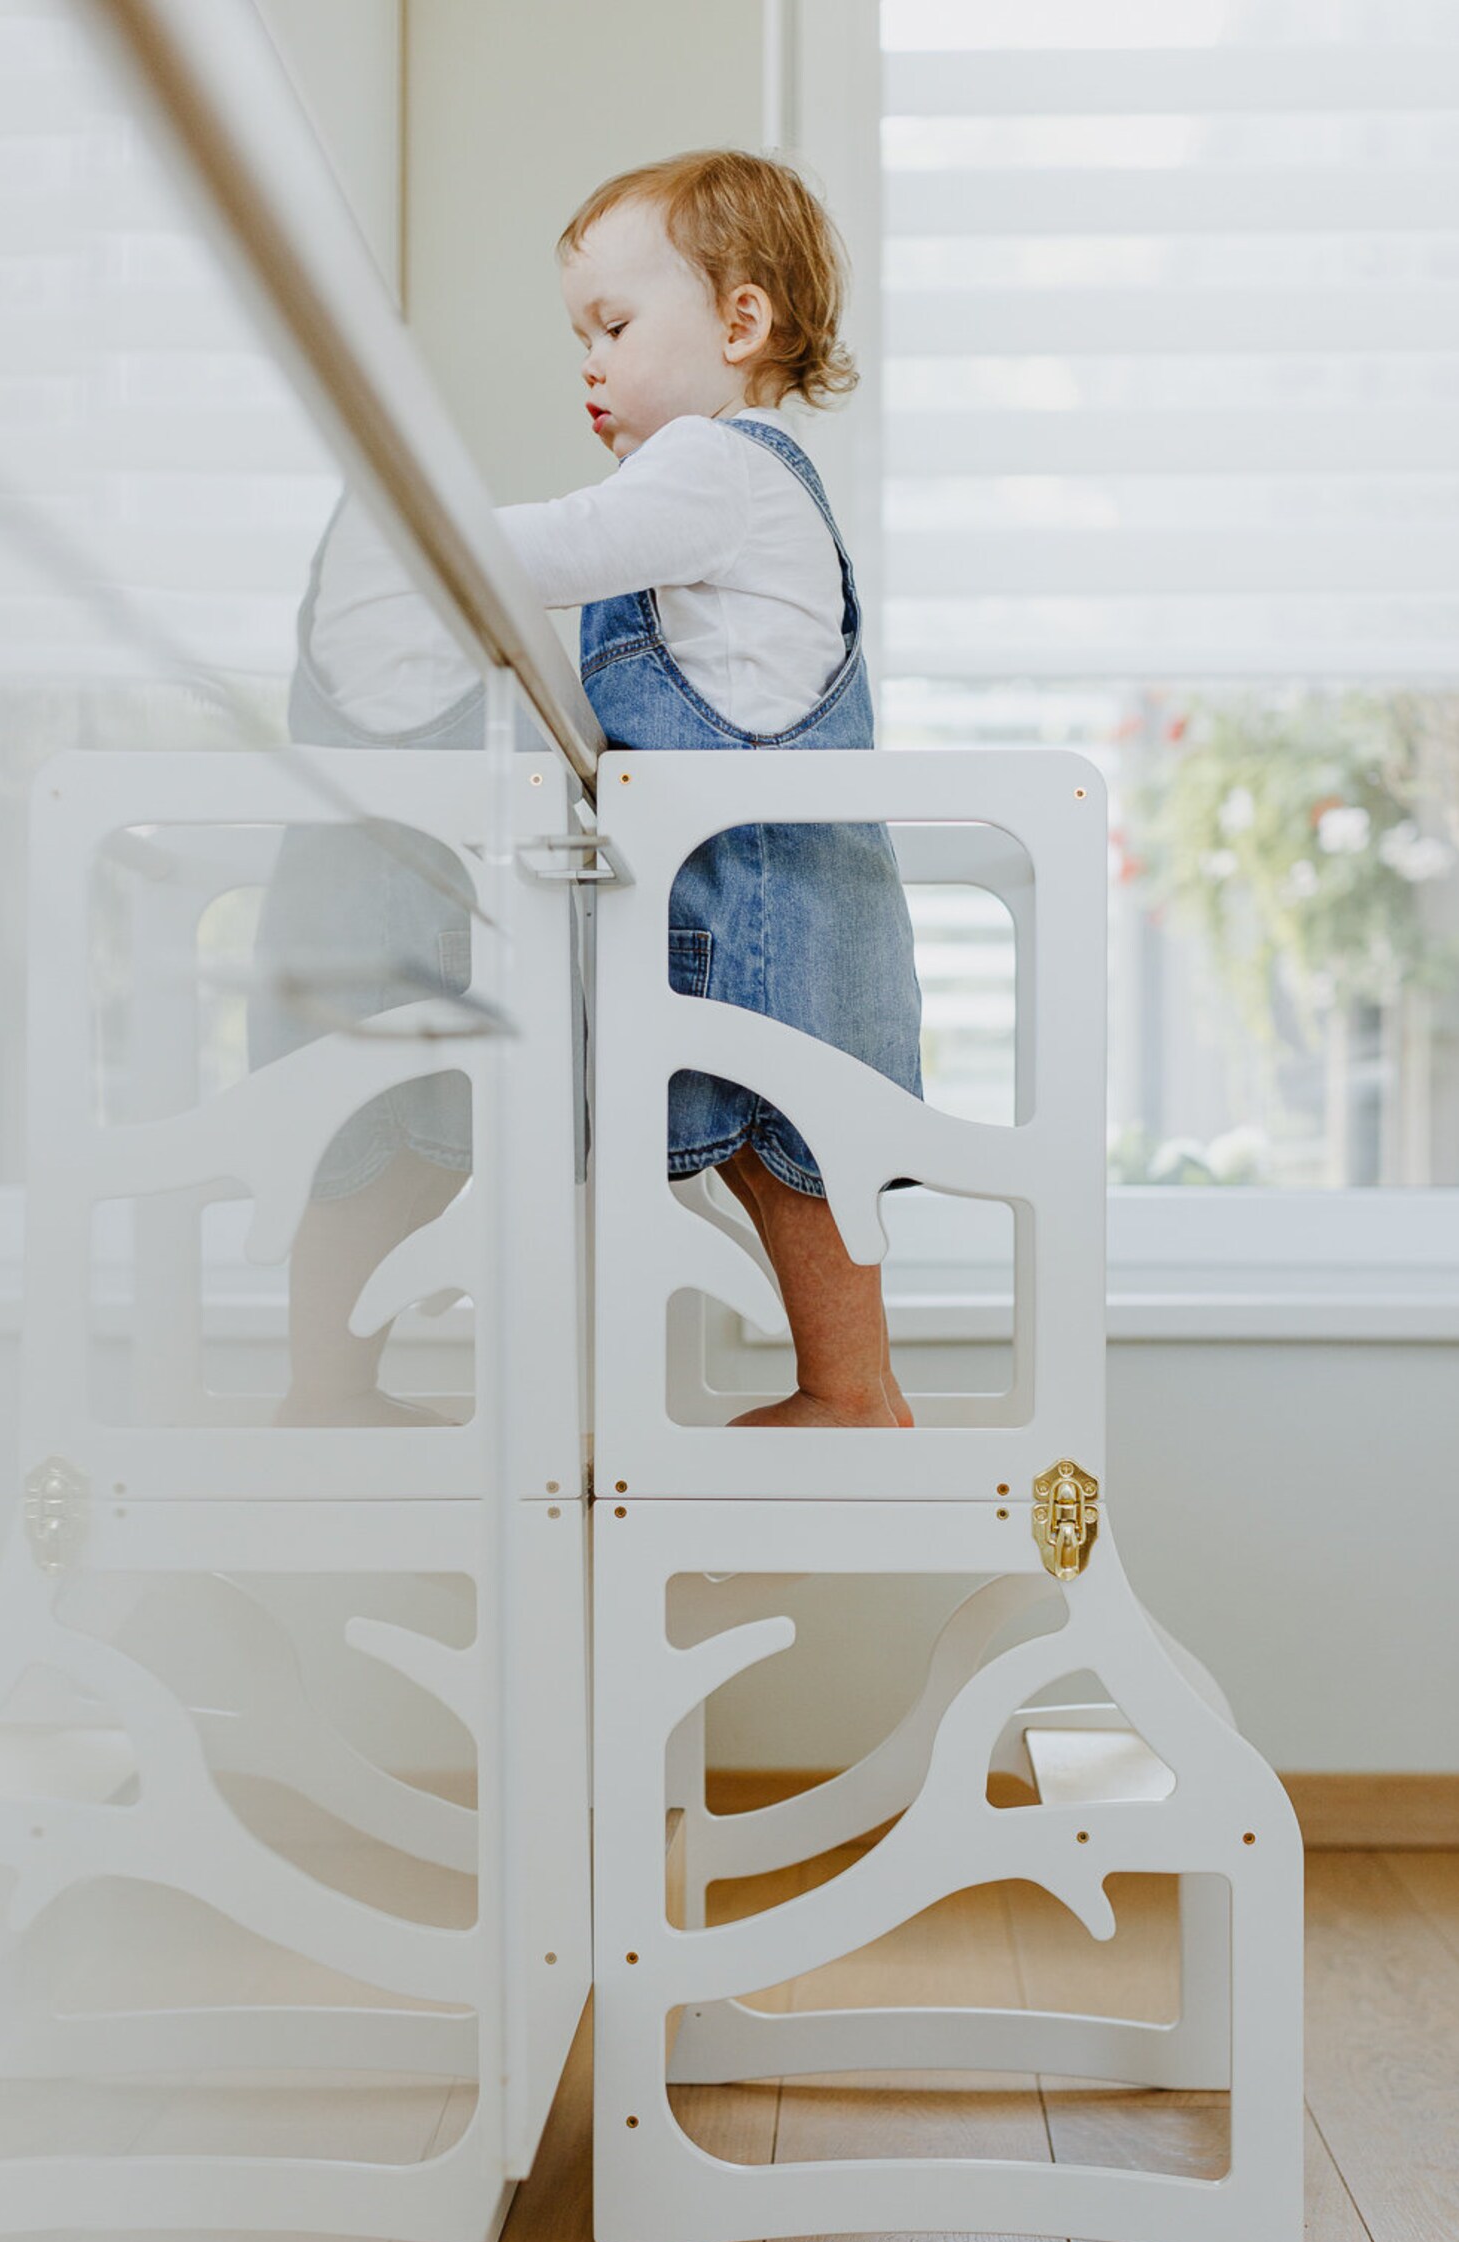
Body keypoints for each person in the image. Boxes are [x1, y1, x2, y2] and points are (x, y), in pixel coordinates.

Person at [251, 148, 923, 1429]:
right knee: (792, 1155)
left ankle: (854, 1392)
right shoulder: (711, 485)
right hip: (752, 915)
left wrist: (413, 521)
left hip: (778, 911)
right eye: (582, 335)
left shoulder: (714, 470)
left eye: (615, 324)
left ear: (741, 320)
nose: (590, 362)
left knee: (798, 1156)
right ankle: (850, 1384)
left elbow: (554, 550)